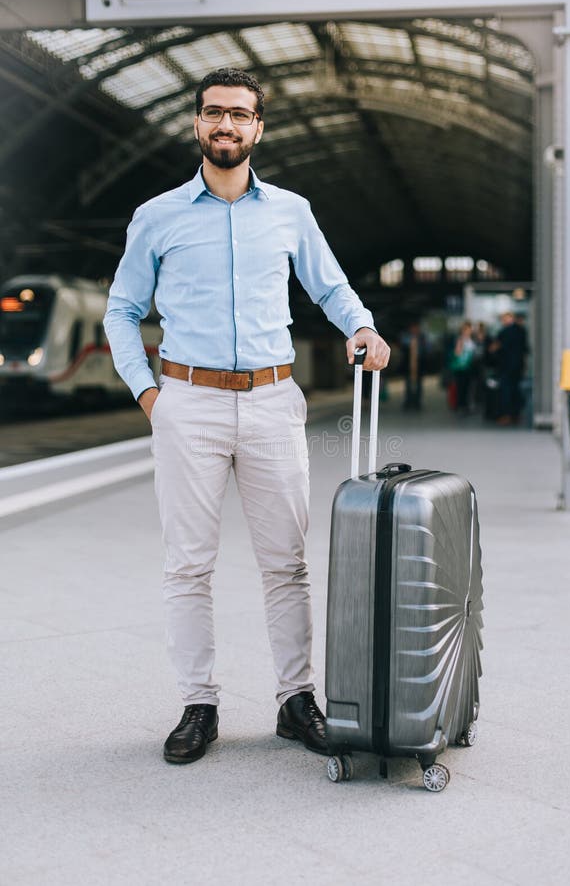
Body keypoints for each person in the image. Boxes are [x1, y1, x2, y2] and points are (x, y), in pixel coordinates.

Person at [103, 68, 390, 765]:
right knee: (188, 566)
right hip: (187, 402)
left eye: (239, 115)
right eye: (213, 114)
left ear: (259, 128)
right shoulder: (158, 215)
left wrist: (364, 328)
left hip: (271, 401)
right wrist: (150, 397)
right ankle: (198, 704)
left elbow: (331, 286)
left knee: (285, 564)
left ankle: (296, 701)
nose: (225, 125)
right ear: (197, 124)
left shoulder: (291, 210)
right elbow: (122, 311)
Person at [491, 311, 529, 424]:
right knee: (515, 390)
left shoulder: (505, 332)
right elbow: (525, 349)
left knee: (506, 390)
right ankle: (515, 414)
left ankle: (506, 415)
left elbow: (497, 347)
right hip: (518, 366)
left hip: (506, 366)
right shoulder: (521, 330)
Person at [400, 321, 427, 410]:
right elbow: (403, 346)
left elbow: (425, 350)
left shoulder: (422, 338)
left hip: (419, 365)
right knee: (408, 384)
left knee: (419, 384)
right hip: (408, 365)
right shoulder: (406, 337)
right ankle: (408, 401)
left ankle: (417, 401)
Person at [451, 320, 475, 414]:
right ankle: (461, 405)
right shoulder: (460, 339)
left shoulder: (471, 340)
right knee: (461, 387)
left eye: (469, 329)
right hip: (461, 367)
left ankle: (465, 405)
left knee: (467, 387)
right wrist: (461, 350)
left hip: (469, 366)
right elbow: (457, 353)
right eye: (466, 329)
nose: (468, 331)